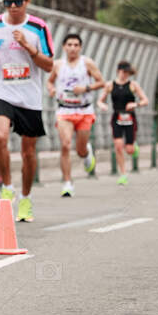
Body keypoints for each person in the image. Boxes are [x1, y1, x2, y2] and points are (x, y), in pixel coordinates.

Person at [0, 0, 56, 222]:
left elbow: (49, 65)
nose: (13, 7)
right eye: (8, 2)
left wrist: (28, 48)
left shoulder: (38, 27)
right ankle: (7, 187)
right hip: (1, 91)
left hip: (29, 96)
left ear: (27, 2)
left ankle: (26, 198)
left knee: (28, 153)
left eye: (18, 2)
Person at [49, 33, 107, 197]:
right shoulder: (58, 65)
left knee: (80, 150)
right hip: (65, 110)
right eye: (69, 45)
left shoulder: (87, 63)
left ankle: (86, 152)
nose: (72, 48)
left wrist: (86, 88)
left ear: (80, 48)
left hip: (84, 110)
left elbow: (101, 82)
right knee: (66, 145)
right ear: (64, 47)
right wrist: (51, 89)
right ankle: (67, 183)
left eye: (76, 45)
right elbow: (49, 81)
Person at [106, 61, 149, 184]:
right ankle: (123, 174)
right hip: (117, 117)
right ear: (118, 71)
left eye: (128, 73)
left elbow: (145, 100)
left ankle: (133, 148)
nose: (125, 75)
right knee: (118, 146)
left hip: (130, 118)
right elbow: (100, 99)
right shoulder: (110, 85)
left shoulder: (133, 85)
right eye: (124, 72)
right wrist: (101, 105)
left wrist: (136, 104)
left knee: (129, 150)